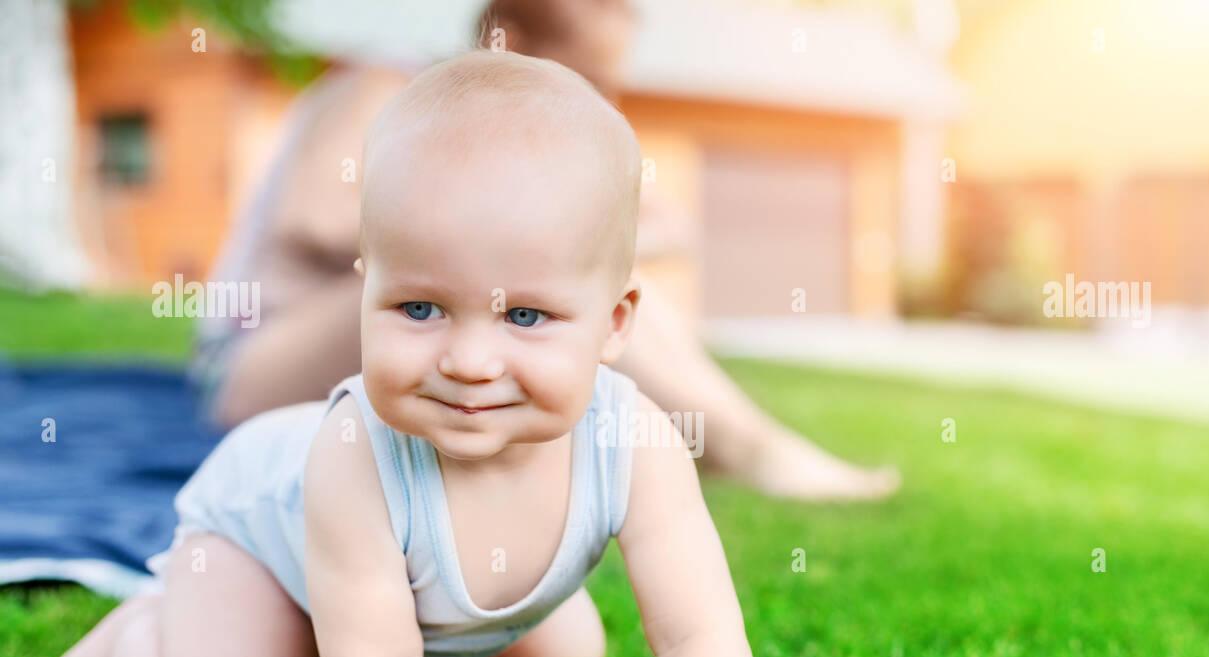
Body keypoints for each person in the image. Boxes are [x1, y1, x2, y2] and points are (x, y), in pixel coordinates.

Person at [54, 51, 790, 657]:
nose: (470, 360)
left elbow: (699, 638)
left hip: (428, 598)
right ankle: (134, 638)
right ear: (365, 293)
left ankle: (317, 642)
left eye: (528, 317)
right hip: (259, 550)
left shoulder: (638, 441)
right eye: (419, 307)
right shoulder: (355, 452)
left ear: (615, 323)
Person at [192, 0, 899, 502]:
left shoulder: (534, 143)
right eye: (585, 74)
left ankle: (726, 437)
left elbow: (658, 225)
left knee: (591, 276)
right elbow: (314, 218)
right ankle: (750, 450)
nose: (601, 98)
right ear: (507, 37)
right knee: (554, 267)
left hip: (386, 352)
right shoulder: (388, 87)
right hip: (260, 367)